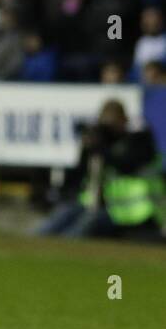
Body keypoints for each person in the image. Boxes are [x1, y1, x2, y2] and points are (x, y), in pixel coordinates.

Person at [36, 100, 165, 241]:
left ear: (124, 120)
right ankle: (34, 245)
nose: (108, 129)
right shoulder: (104, 142)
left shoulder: (138, 141)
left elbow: (124, 164)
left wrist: (101, 148)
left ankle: (62, 252)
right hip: (96, 205)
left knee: (83, 227)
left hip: (129, 212)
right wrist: (87, 148)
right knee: (61, 216)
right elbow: (80, 173)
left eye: (112, 124)